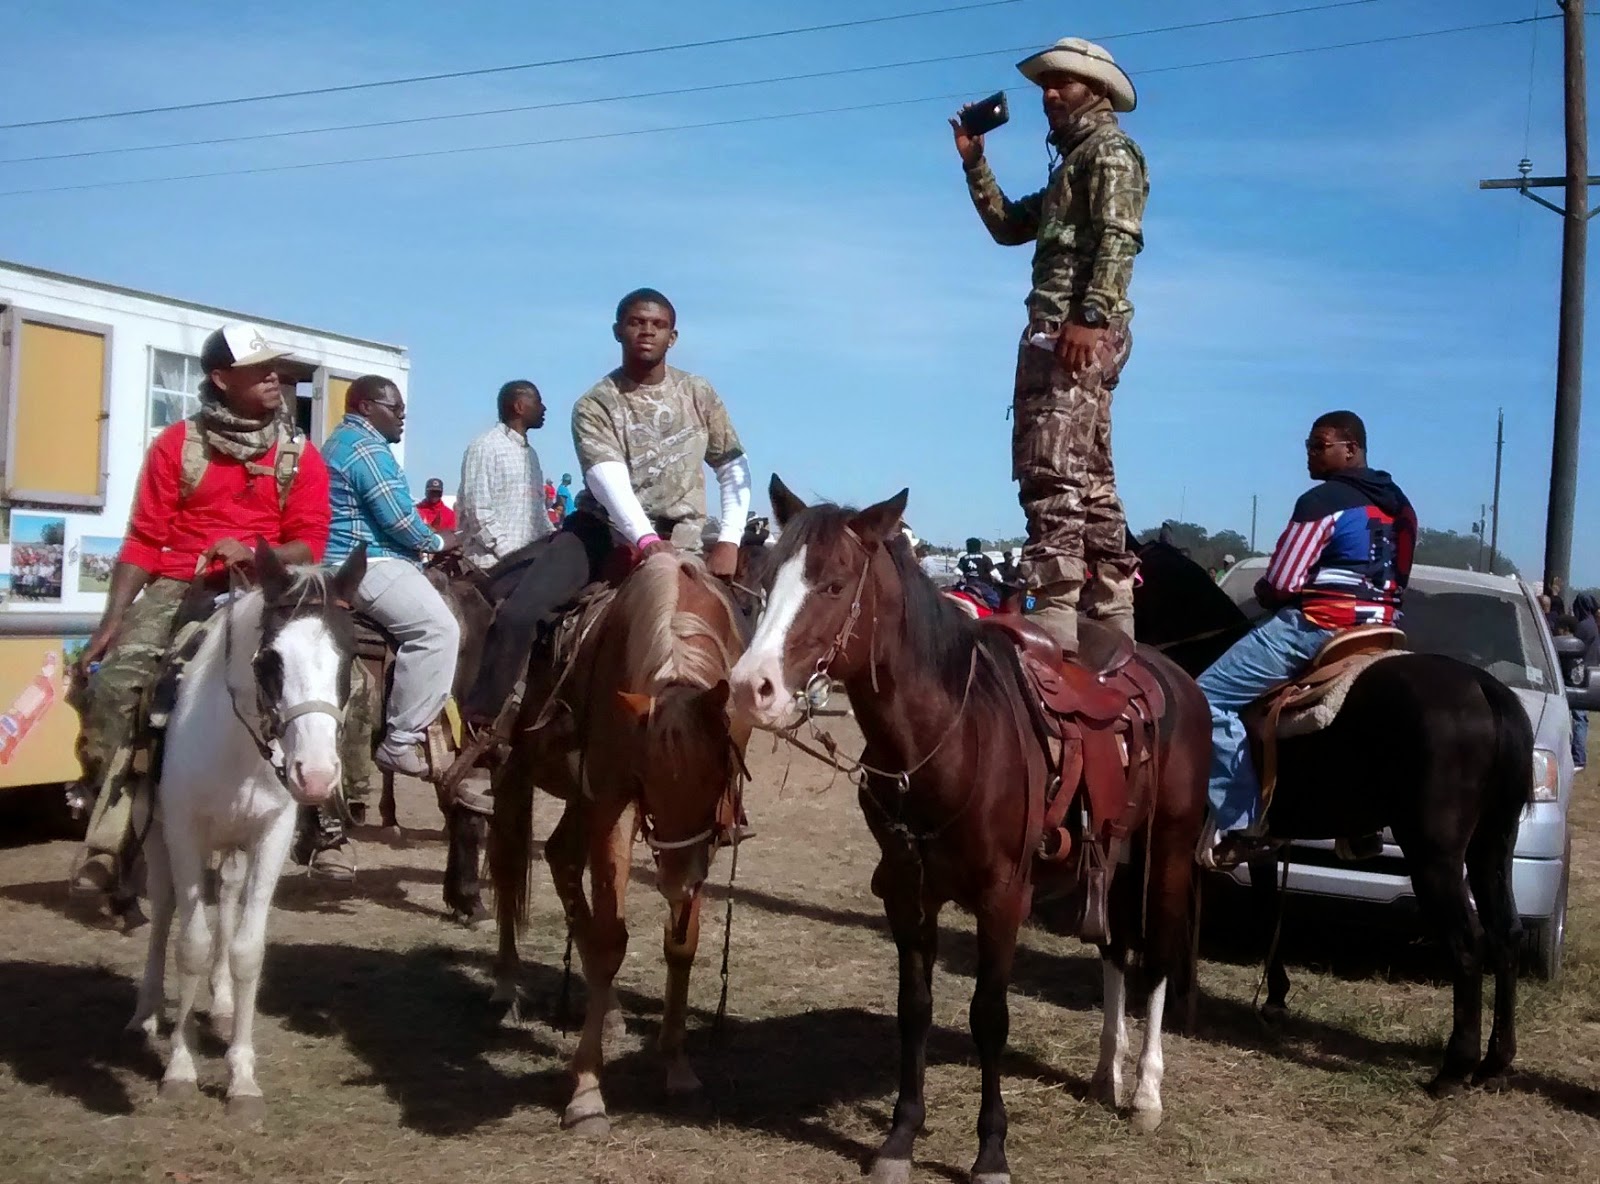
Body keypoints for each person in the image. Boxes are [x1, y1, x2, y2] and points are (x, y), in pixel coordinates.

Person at [70, 322, 331, 910]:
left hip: (269, 587)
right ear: (220, 379)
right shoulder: (177, 446)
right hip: (180, 584)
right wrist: (110, 625)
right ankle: (111, 832)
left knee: (346, 684)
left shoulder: (300, 456)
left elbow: (310, 542)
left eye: (277, 369)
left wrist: (254, 551)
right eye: (259, 369)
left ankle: (329, 821)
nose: (274, 378)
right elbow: (142, 540)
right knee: (116, 688)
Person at [460, 288, 752, 733]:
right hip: (603, 532)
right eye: (637, 322)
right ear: (618, 330)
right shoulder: (596, 403)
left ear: (673, 336)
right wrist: (646, 540)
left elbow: (732, 467)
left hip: (688, 537)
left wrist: (729, 538)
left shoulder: (699, 394)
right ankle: (485, 731)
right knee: (521, 613)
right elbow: (605, 478)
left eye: (657, 325)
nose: (647, 331)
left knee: (750, 625)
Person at [953, 37, 1149, 657]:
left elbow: (1121, 236)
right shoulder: (1071, 165)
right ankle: (1110, 614)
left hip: (1073, 331)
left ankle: (1056, 620)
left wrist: (1088, 317)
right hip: (1064, 333)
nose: (1049, 95)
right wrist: (974, 163)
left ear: (1096, 89)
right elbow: (1010, 225)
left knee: (1051, 471)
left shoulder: (1109, 153)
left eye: (1062, 83)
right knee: (1089, 476)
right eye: (1045, 84)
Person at [1197, 411, 1416, 866]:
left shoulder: (1323, 500)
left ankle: (1241, 822)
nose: (1310, 455)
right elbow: (1402, 574)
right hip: (1381, 631)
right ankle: (1361, 826)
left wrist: (1265, 593)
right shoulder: (1402, 507)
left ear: (1351, 448)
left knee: (1204, 701)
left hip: (1318, 626)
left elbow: (1282, 581)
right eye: (1309, 446)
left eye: (1320, 445)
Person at [323, 376, 462, 783]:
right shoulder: (365, 449)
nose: (403, 416)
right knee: (438, 631)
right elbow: (400, 521)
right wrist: (438, 540)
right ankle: (400, 741)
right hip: (367, 563)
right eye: (395, 408)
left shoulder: (345, 443)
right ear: (366, 407)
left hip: (360, 557)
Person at [457, 380, 552, 571]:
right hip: (489, 568)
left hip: (525, 566)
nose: (544, 408)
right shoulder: (484, 446)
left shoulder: (531, 455)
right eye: (538, 402)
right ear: (519, 407)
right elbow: (477, 512)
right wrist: (510, 554)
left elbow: (538, 514)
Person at [1571, 593, 1598, 770]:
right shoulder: (1593, 625)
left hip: (1580, 673)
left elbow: (1574, 648)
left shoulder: (1583, 626)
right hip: (1589, 671)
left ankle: (1579, 757)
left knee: (1579, 716)